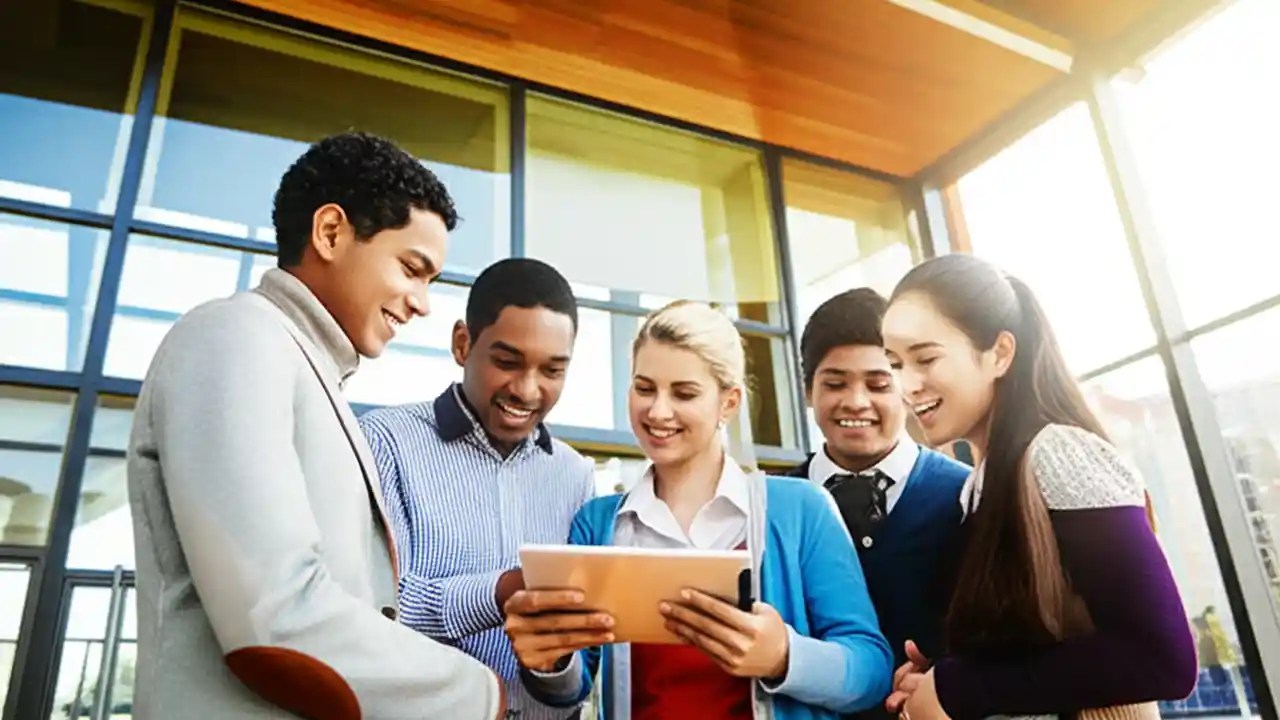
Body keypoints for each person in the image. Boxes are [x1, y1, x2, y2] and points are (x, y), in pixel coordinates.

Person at [127, 132, 504, 719]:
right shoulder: (235, 338)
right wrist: (480, 695)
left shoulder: (309, 368)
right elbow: (276, 618)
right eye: (412, 269)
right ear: (331, 232)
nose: (423, 303)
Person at [505, 300, 893, 720]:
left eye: (684, 393)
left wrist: (784, 656)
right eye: (644, 387)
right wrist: (549, 662)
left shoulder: (802, 509)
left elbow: (871, 669)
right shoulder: (597, 523)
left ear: (728, 403)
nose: (657, 411)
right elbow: (573, 686)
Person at [880, 254, 1197, 719]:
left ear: (1000, 354)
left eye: (926, 358)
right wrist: (938, 673)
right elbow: (1037, 650)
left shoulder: (1058, 453)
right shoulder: (981, 486)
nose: (908, 385)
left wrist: (958, 687)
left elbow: (1161, 659)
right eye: (896, 364)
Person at [358, 257, 595, 719]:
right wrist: (498, 593)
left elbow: (576, 680)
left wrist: (555, 664)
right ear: (463, 344)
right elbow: (369, 608)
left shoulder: (575, 475)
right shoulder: (384, 441)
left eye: (552, 371)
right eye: (507, 362)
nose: (527, 391)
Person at [788, 288, 969, 718]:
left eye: (878, 382)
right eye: (834, 383)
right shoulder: (769, 505)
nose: (856, 401)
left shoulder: (967, 497)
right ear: (808, 390)